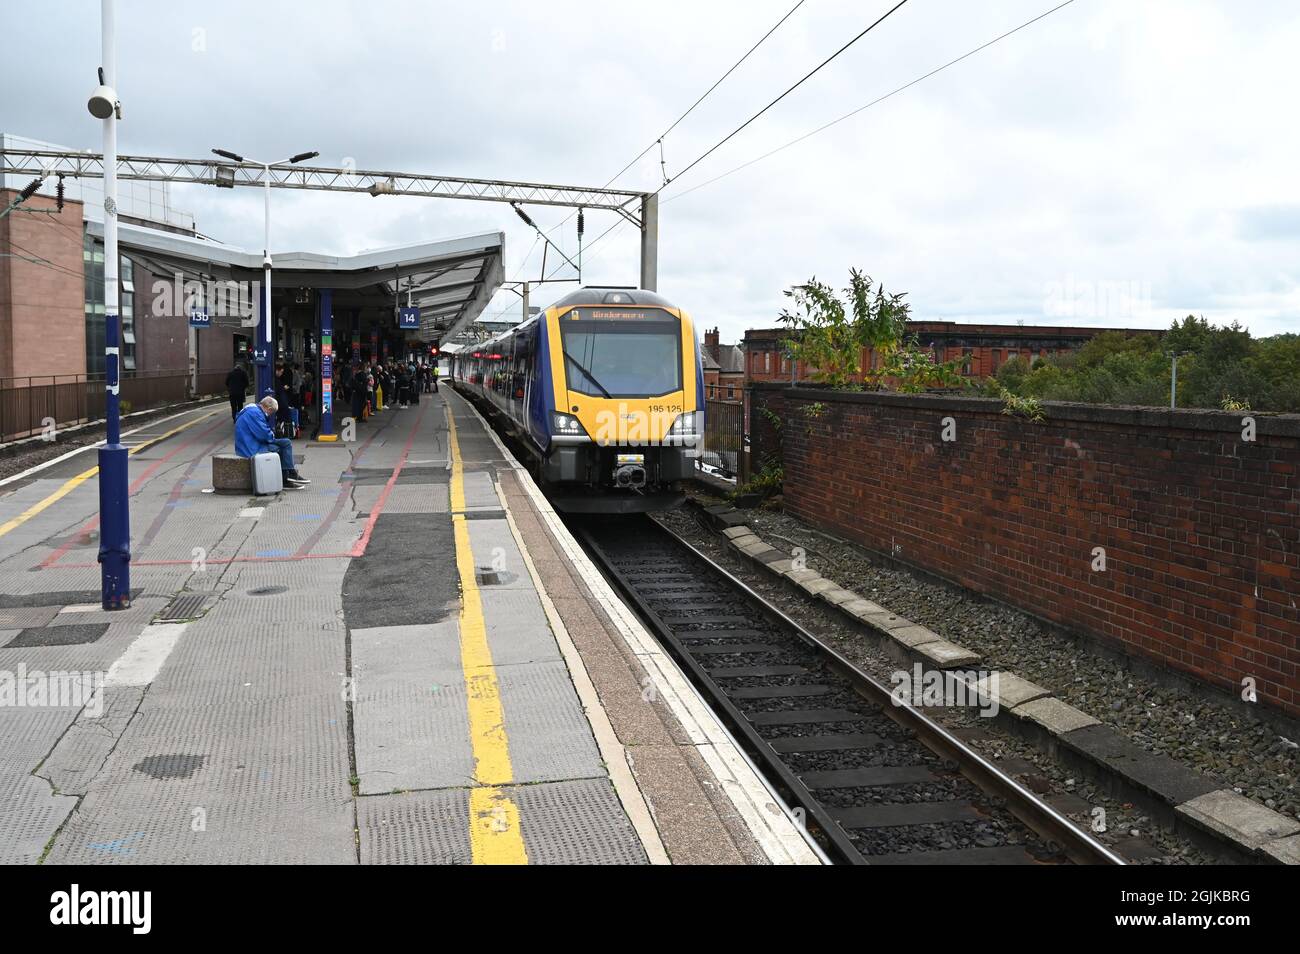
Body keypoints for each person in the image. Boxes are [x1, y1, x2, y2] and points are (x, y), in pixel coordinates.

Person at [235, 396, 311, 488]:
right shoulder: (255, 413)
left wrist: (271, 435)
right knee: (280, 448)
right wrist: (272, 435)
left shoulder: (253, 410)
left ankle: (289, 474)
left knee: (286, 442)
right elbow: (263, 434)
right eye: (272, 413)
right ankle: (287, 477)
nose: (271, 415)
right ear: (269, 409)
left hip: (250, 443)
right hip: (250, 447)